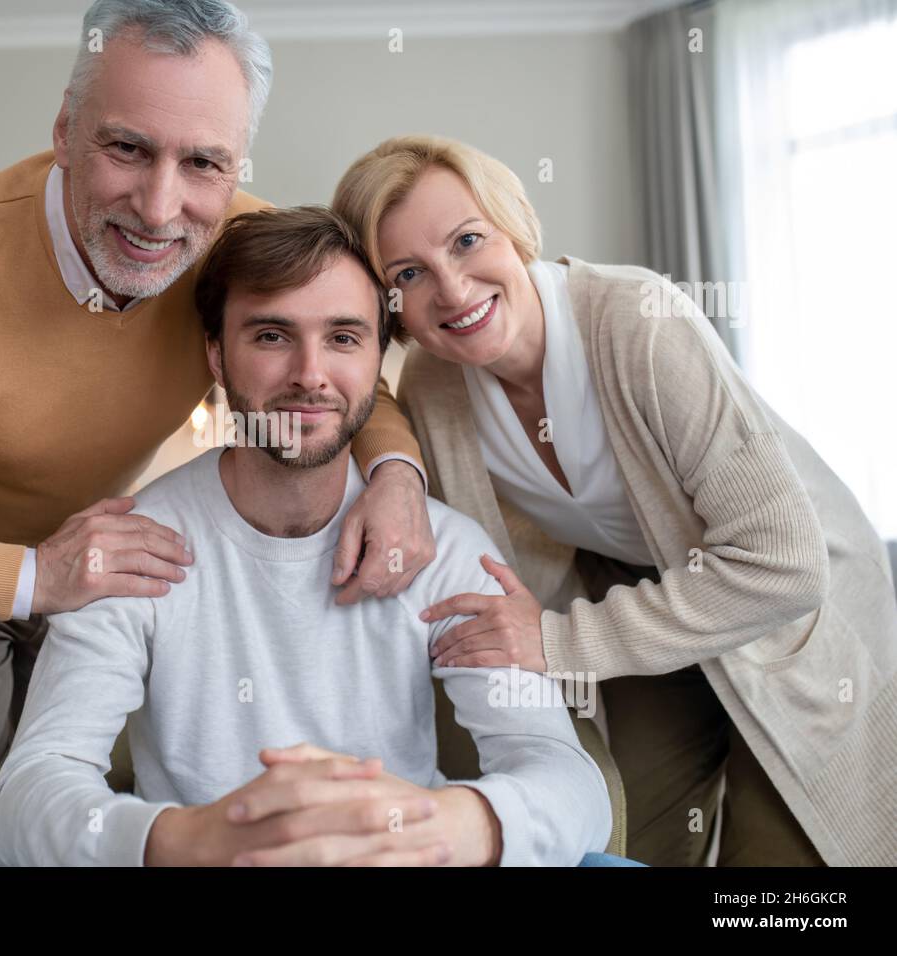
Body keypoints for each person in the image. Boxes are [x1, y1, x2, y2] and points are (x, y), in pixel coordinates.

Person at [0, 1, 435, 866]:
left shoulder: (237, 243)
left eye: (203, 163)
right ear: (67, 129)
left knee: (86, 815)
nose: (160, 208)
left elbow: (346, 367)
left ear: (234, 165)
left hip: (108, 555)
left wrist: (399, 477)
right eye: (126, 148)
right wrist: (34, 574)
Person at [0, 205, 615, 867]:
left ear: (376, 361)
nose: (310, 374)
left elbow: (570, 783)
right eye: (271, 336)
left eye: (343, 338)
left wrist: (455, 827)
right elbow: (25, 796)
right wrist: (184, 841)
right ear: (216, 356)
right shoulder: (134, 549)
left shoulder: (441, 547)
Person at [331, 134, 897, 866]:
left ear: (514, 222)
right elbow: (358, 388)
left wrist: (559, 642)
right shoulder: (436, 387)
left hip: (789, 613)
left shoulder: (639, 323)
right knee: (625, 840)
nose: (454, 289)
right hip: (634, 607)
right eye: (410, 272)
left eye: (468, 240)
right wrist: (394, 475)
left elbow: (787, 566)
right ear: (390, 304)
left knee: (783, 884)